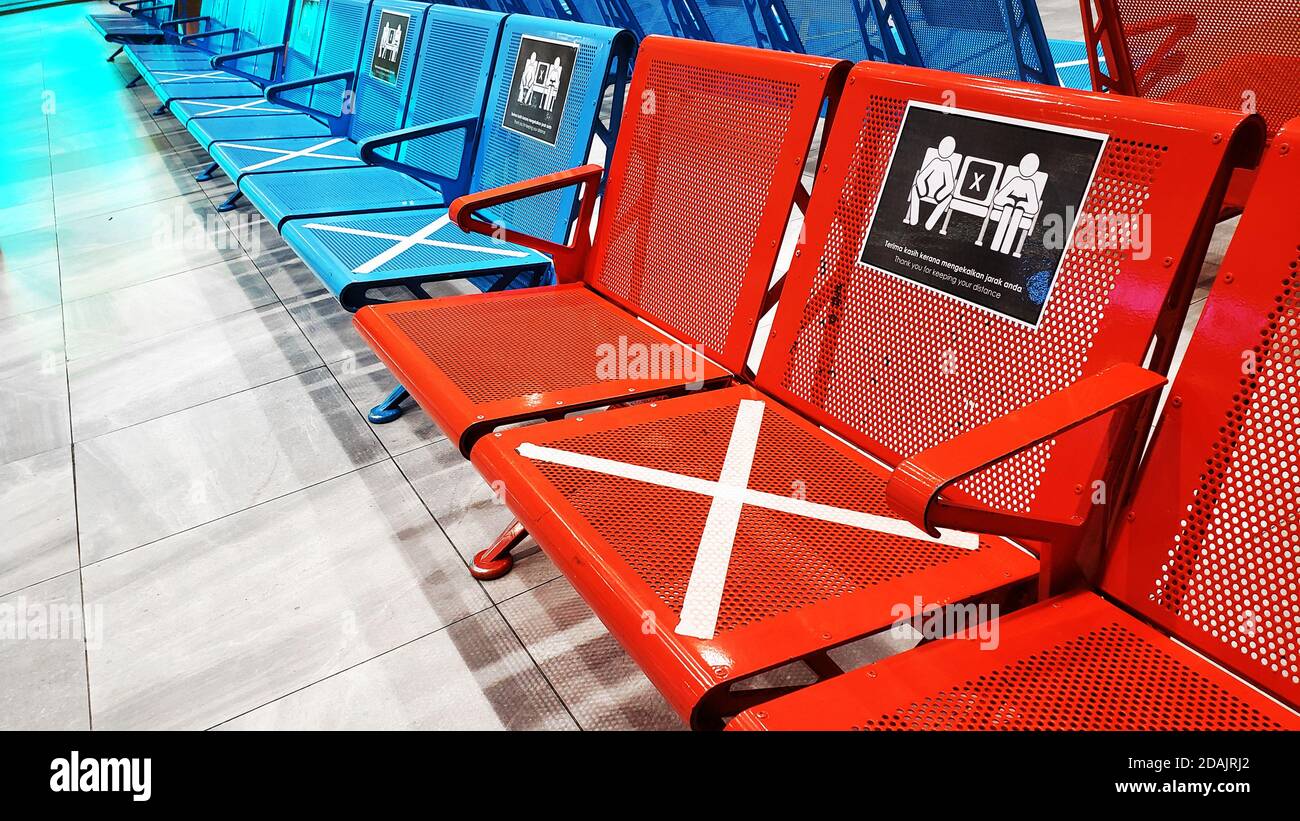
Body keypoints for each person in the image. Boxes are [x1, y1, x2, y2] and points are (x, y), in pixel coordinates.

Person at [990, 152, 1043, 256]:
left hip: (1019, 213)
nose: (1027, 168)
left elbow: (1033, 207)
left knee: (1017, 211)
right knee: (1008, 209)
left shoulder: (1030, 184)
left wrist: (1021, 204)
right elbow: (998, 198)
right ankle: (995, 245)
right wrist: (1009, 201)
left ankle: (1006, 248)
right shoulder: (1015, 180)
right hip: (1007, 210)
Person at [906, 136, 958, 232]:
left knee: (949, 198)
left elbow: (950, 185)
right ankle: (913, 219)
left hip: (939, 194)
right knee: (914, 189)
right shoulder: (934, 162)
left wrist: (941, 194)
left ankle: (931, 222)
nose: (944, 150)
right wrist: (922, 188)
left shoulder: (947, 165)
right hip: (926, 190)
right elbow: (921, 177)